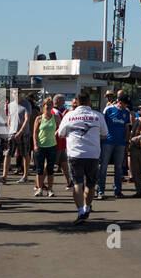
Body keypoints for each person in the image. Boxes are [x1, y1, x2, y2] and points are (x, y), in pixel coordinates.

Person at [58, 91, 108, 224]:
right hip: (92, 154)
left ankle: (80, 211)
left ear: (77, 102)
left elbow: (60, 134)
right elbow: (104, 134)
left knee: (77, 184)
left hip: (75, 154)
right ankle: (87, 207)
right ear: (89, 102)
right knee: (91, 184)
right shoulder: (97, 116)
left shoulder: (69, 115)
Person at [99, 91, 133, 199]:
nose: (126, 105)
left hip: (120, 143)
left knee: (118, 168)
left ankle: (117, 190)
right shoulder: (108, 110)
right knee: (103, 166)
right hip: (108, 142)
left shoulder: (126, 112)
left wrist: (127, 142)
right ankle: (101, 191)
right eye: (125, 103)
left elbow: (127, 128)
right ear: (120, 102)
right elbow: (102, 125)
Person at [32, 97, 59, 197]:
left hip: (52, 146)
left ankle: (50, 189)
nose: (48, 106)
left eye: (50, 104)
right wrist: (35, 145)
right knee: (39, 169)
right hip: (40, 146)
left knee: (50, 169)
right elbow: (34, 133)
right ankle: (40, 188)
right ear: (43, 106)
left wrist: (54, 134)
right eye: (47, 104)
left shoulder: (55, 118)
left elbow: (60, 128)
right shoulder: (39, 118)